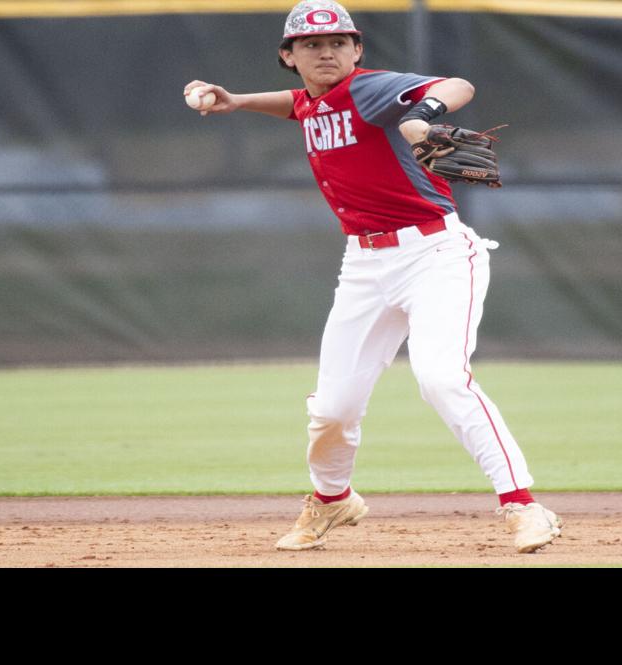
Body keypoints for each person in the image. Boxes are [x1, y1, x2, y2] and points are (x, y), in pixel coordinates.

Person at [182, 1, 561, 554]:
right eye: (312, 45)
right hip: (362, 264)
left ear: (358, 51)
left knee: (442, 379)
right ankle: (333, 501)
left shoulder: (373, 90)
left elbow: (459, 84)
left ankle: (523, 507)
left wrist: (422, 112)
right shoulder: (314, 101)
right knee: (332, 406)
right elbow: (300, 106)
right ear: (289, 56)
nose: (327, 50)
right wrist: (238, 101)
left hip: (435, 253)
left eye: (339, 41)